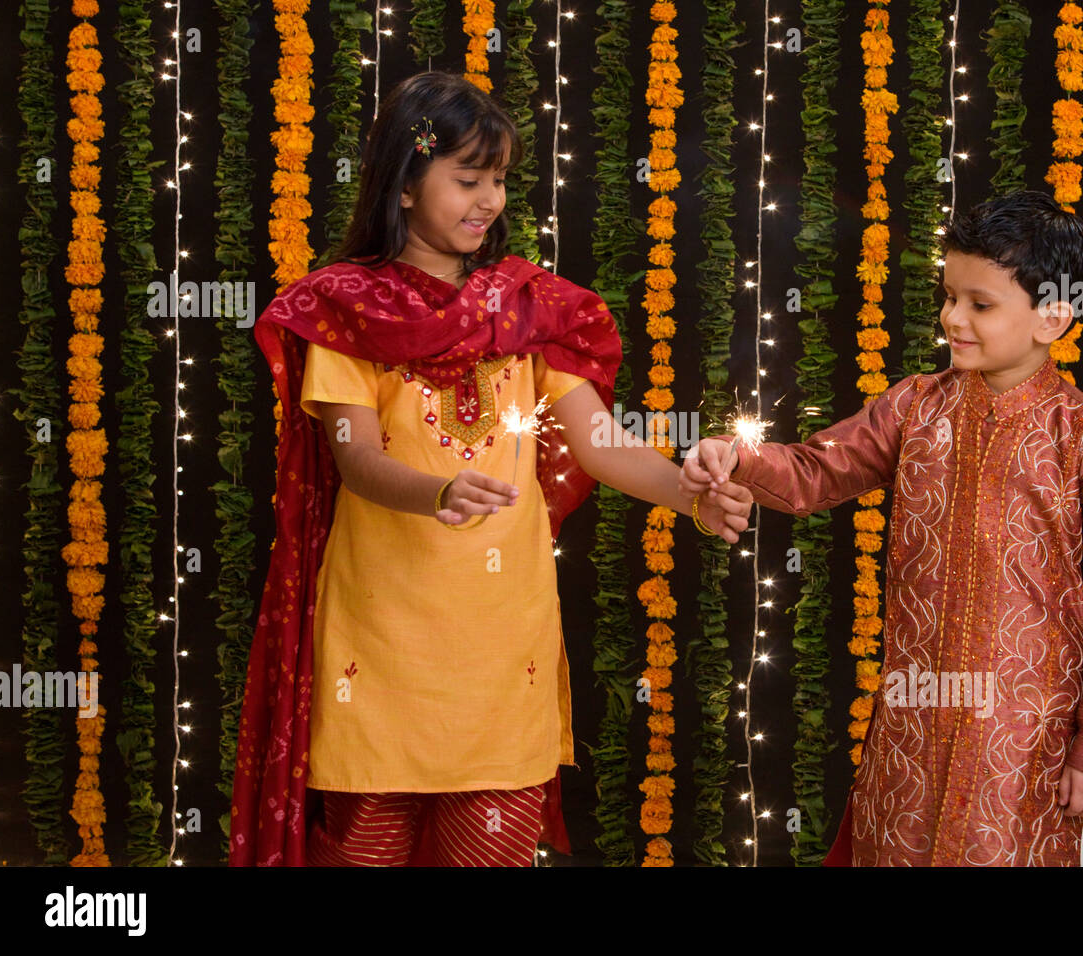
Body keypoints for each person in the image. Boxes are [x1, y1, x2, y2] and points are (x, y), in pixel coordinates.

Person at [229, 71, 752, 867]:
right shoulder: (347, 311)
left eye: (500, 180)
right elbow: (359, 463)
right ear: (404, 185)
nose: (489, 200)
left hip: (501, 651)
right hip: (377, 645)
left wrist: (687, 491)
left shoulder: (530, 308)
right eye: (467, 179)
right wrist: (436, 489)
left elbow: (599, 444)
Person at [681, 191, 1083, 866]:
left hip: (1024, 745)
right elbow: (818, 472)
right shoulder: (914, 407)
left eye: (979, 304)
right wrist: (737, 454)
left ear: (1052, 316)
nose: (951, 318)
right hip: (911, 727)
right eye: (949, 296)